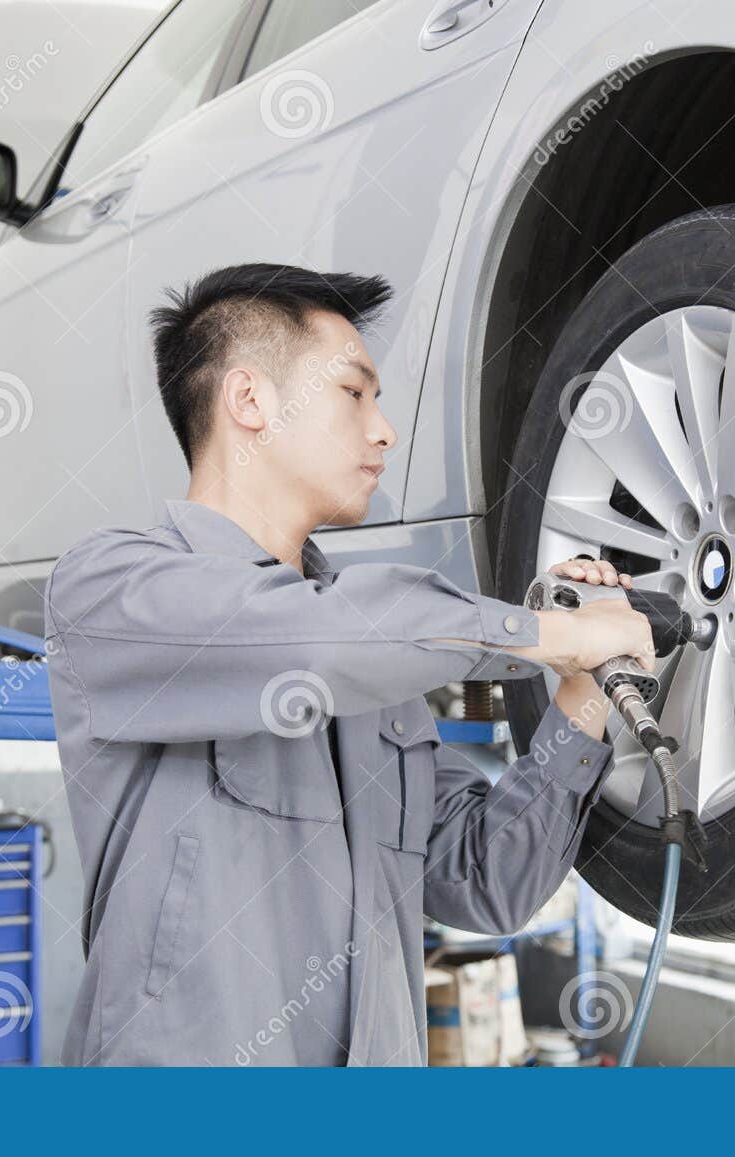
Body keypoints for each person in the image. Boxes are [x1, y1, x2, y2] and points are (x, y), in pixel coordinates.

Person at [44, 263, 654, 1066]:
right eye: (354, 394)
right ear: (251, 400)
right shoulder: (111, 588)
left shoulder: (373, 659)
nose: (384, 430)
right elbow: (310, 642)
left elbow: (486, 877)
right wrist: (541, 632)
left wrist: (582, 689)